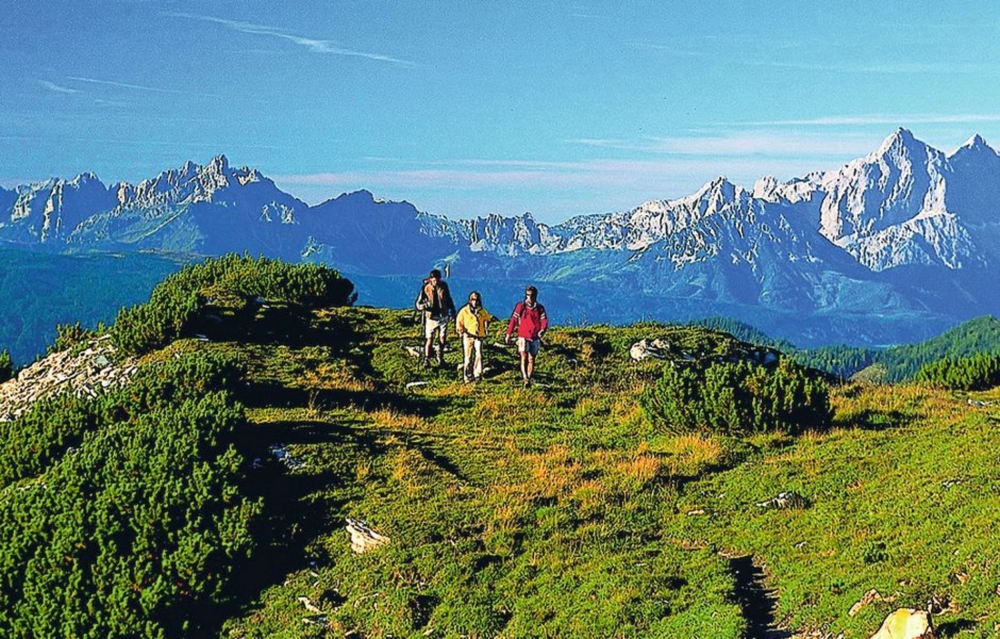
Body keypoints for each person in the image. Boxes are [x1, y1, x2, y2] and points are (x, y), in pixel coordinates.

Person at [504, 285, 548, 387]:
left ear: (535, 296)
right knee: (524, 356)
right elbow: (513, 320)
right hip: (523, 335)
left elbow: (544, 320)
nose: (530, 297)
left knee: (532, 358)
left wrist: (542, 330)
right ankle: (525, 378)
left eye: (532, 295)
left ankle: (528, 377)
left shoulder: (540, 308)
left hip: (534, 336)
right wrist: (508, 334)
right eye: (528, 295)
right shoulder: (520, 306)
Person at [416, 269, 456, 366]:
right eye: (434, 279)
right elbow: (418, 303)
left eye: (437, 279)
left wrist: (452, 311)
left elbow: (448, 299)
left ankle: (440, 356)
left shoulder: (444, 286)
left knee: (442, 338)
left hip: (443, 316)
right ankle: (427, 359)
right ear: (431, 279)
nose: (436, 281)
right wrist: (422, 306)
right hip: (431, 317)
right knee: (429, 338)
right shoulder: (425, 288)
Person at [455, 291, 495, 383]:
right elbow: (459, 323)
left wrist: (485, 327)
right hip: (468, 336)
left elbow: (488, 319)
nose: (475, 302)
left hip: (479, 336)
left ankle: (477, 374)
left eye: (477, 300)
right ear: (470, 300)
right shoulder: (464, 311)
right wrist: (461, 331)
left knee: (479, 355)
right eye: (473, 300)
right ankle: (467, 376)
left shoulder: (482, 311)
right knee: (468, 357)